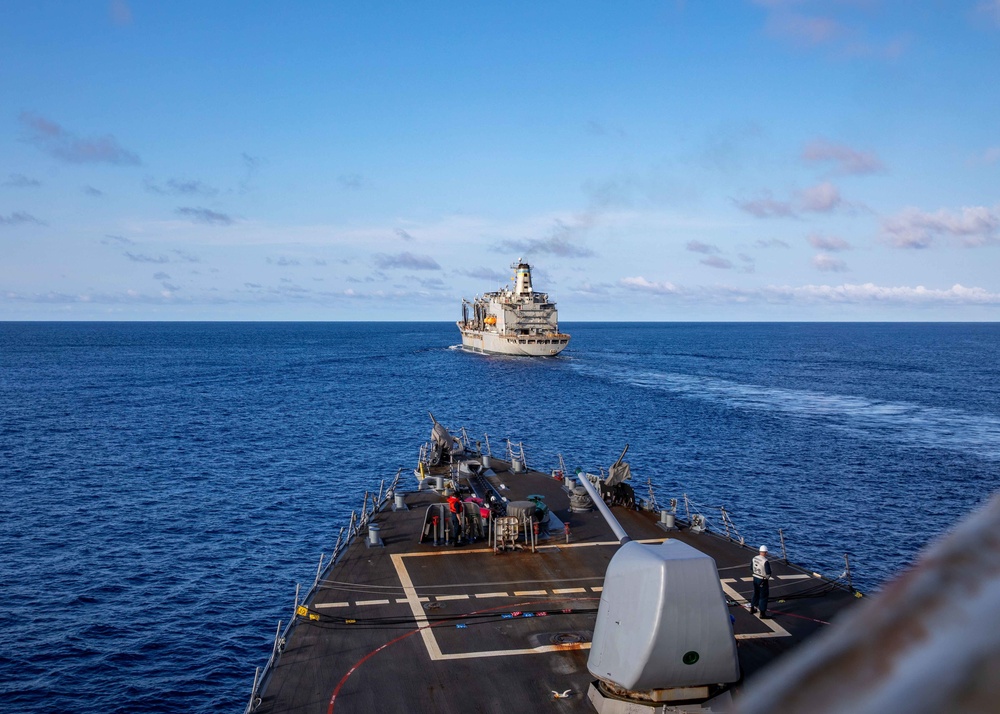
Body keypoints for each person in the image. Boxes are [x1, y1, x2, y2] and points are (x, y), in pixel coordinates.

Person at [750, 545, 772, 618]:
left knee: (755, 593)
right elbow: (768, 572)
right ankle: (762, 613)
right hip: (762, 579)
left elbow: (751, 568)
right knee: (763, 596)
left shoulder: (754, 558)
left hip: (755, 577)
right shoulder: (765, 561)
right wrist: (766, 579)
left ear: (759, 551)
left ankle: (752, 608)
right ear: (766, 552)